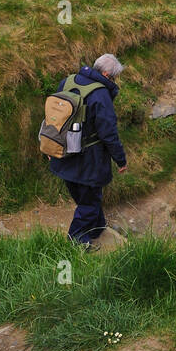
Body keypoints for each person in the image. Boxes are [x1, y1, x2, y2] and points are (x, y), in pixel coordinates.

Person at [49, 54, 127, 248]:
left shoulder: (67, 81)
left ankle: (97, 226)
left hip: (62, 152)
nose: (114, 81)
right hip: (88, 160)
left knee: (85, 198)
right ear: (107, 74)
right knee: (90, 202)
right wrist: (121, 160)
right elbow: (109, 133)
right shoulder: (100, 95)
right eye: (114, 77)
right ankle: (76, 241)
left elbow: (54, 117)